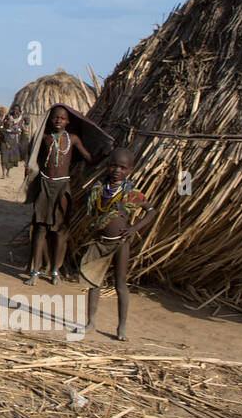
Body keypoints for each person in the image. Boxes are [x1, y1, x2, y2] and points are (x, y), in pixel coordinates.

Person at [79, 148, 156, 342]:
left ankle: (121, 327)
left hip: (121, 242)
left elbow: (151, 211)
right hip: (100, 241)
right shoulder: (98, 188)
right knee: (94, 282)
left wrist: (134, 228)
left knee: (121, 284)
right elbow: (92, 212)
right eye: (114, 165)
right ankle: (91, 321)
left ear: (130, 170)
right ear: (108, 165)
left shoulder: (132, 193)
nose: (117, 170)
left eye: (122, 167)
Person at [26, 104, 92, 285]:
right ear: (50, 119)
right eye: (55, 117)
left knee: (60, 229)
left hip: (63, 185)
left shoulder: (73, 139)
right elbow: (32, 158)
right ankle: (35, 270)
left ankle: (55, 270)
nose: (58, 121)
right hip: (45, 184)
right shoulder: (44, 139)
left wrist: (105, 154)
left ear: (68, 121)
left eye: (62, 118)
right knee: (40, 228)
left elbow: (88, 157)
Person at [0, 104, 26, 178]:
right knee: (4, 157)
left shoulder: (20, 119)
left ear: (19, 111)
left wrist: (17, 132)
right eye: (14, 109)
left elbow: (20, 130)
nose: (15, 111)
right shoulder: (7, 117)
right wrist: (10, 131)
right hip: (5, 140)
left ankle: (8, 173)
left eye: (17, 110)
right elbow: (0, 128)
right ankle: (3, 173)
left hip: (13, 140)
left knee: (10, 158)